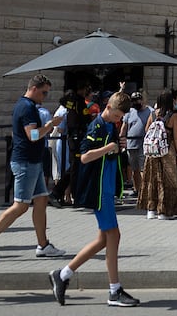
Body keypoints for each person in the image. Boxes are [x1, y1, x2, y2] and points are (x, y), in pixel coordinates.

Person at [49, 92, 140, 307]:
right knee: (114, 236)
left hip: (106, 188)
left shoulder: (110, 126)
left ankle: (63, 274)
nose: (118, 120)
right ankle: (114, 290)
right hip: (99, 192)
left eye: (121, 117)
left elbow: (109, 154)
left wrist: (117, 148)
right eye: (117, 115)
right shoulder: (96, 126)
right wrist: (108, 148)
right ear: (108, 107)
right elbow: (84, 157)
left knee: (103, 239)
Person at [0, 74, 67, 260]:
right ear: (34, 89)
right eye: (44, 92)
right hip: (26, 162)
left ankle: (43, 245)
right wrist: (50, 125)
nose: (45, 97)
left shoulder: (25, 105)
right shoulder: (27, 107)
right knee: (20, 206)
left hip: (31, 161)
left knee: (41, 200)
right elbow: (33, 136)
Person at [137, 90, 177, 219]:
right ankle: (164, 211)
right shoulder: (174, 115)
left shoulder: (153, 113)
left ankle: (151, 209)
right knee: (169, 180)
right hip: (167, 150)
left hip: (153, 151)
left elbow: (146, 129)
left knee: (152, 178)